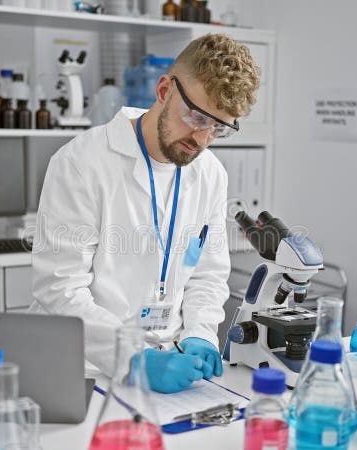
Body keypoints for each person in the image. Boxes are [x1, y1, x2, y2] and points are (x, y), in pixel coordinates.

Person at [30, 33, 261, 393]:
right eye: (197, 117)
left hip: (172, 363)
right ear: (164, 90)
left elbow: (207, 275)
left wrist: (200, 334)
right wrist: (132, 358)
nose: (202, 139)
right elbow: (60, 288)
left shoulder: (210, 173)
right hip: (83, 367)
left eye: (219, 128)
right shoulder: (81, 163)